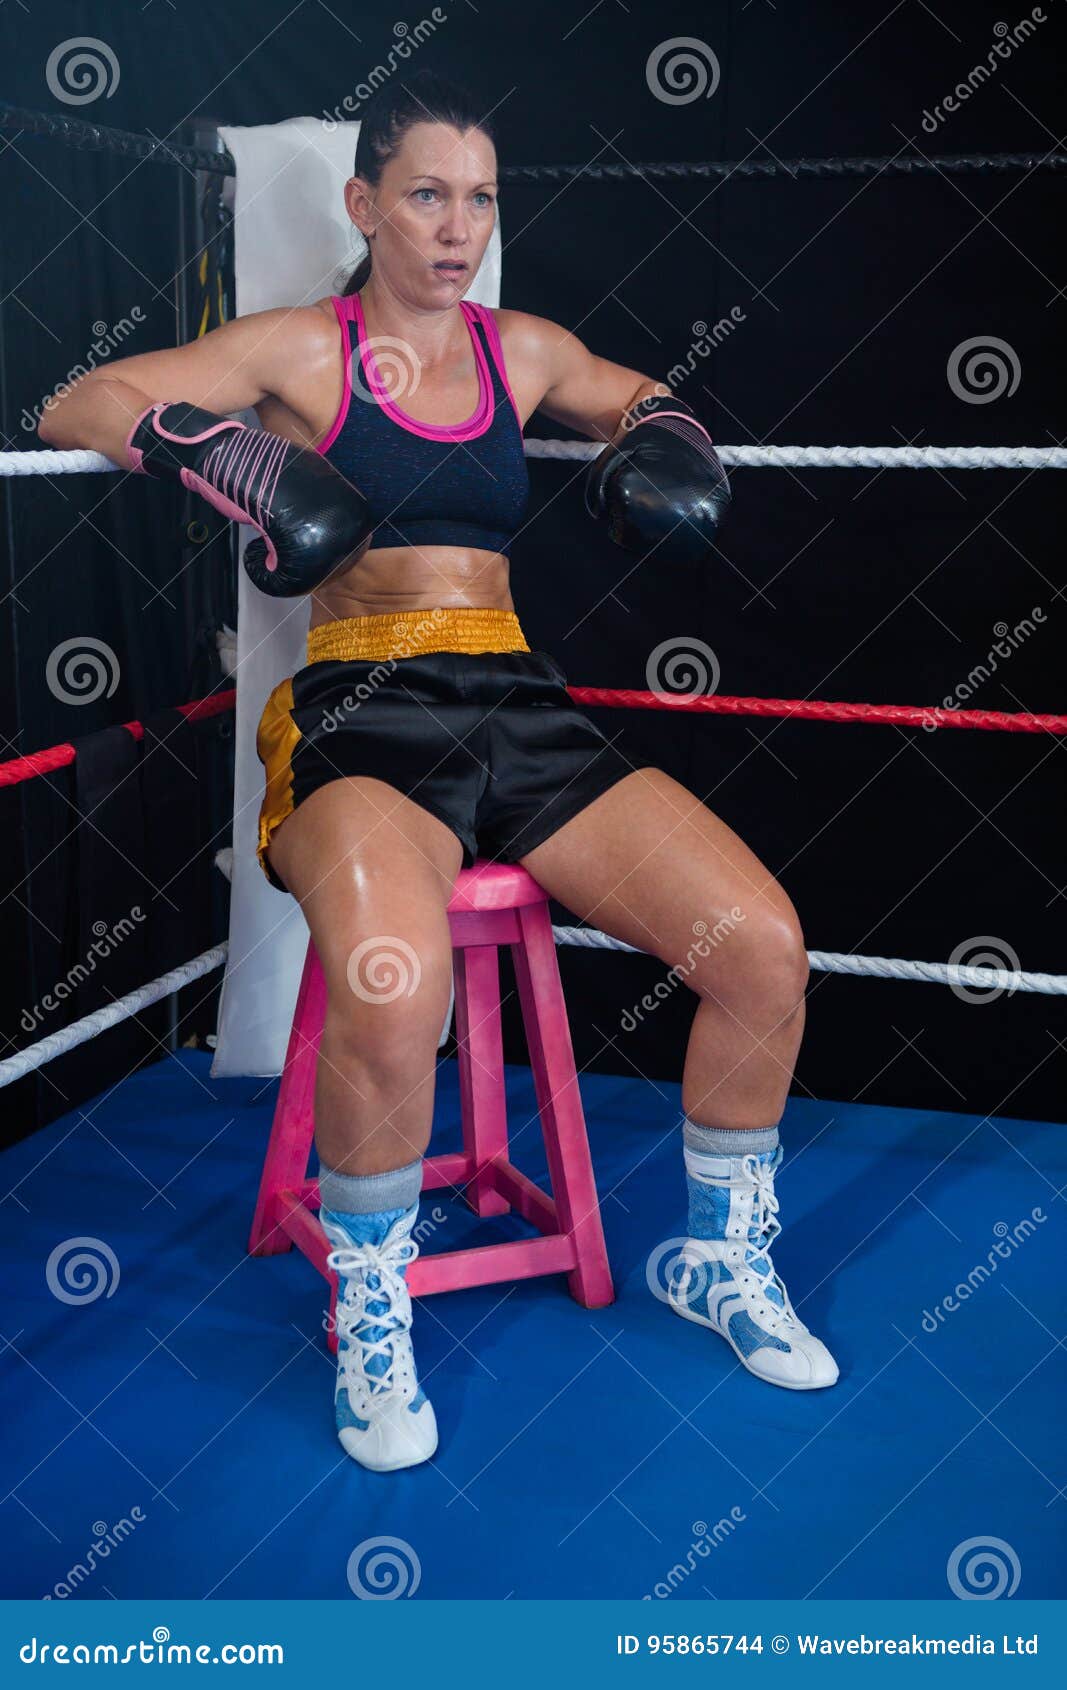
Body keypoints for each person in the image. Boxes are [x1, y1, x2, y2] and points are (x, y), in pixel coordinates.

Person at [37, 69, 836, 1477]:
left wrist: (665, 432)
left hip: (519, 699)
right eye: (425, 194)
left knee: (763, 944)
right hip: (362, 710)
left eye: (478, 197)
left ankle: (717, 1258)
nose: (456, 225)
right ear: (365, 202)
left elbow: (636, 390)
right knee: (395, 986)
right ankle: (371, 1296)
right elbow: (78, 399)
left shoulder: (520, 349)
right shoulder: (300, 346)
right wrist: (221, 455)